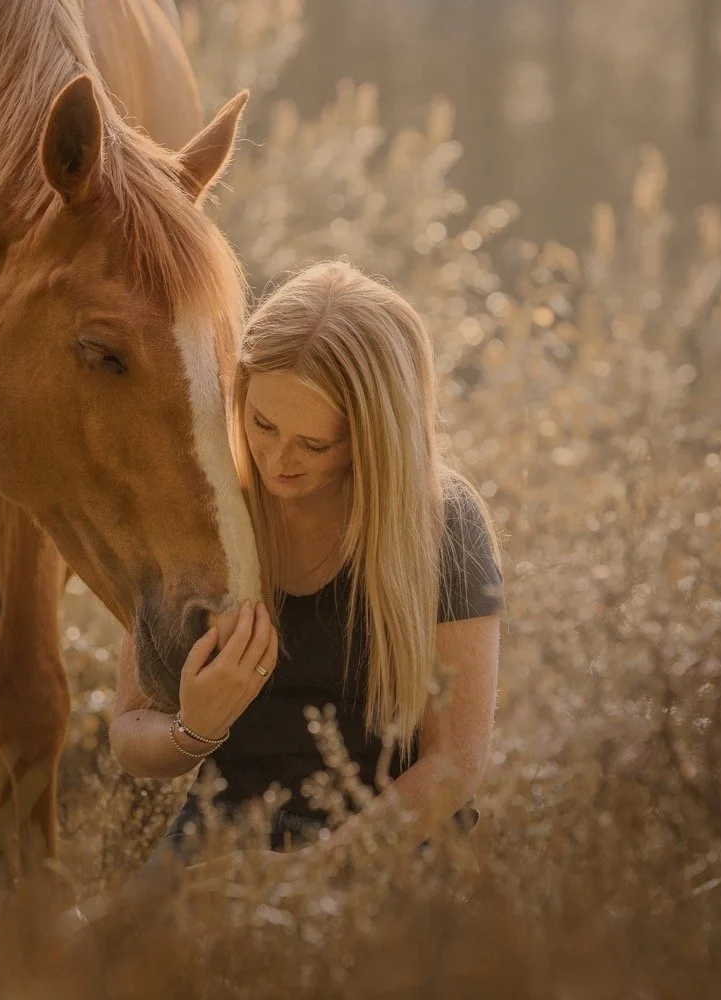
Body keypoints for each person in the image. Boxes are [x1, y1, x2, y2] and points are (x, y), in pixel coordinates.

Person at [108, 260, 504, 867]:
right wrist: (195, 727)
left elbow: (453, 765)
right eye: (261, 424)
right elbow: (130, 733)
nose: (276, 459)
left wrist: (309, 875)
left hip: (391, 850)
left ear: (377, 437)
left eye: (315, 444)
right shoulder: (205, 512)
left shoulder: (443, 523)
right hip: (220, 838)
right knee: (92, 953)